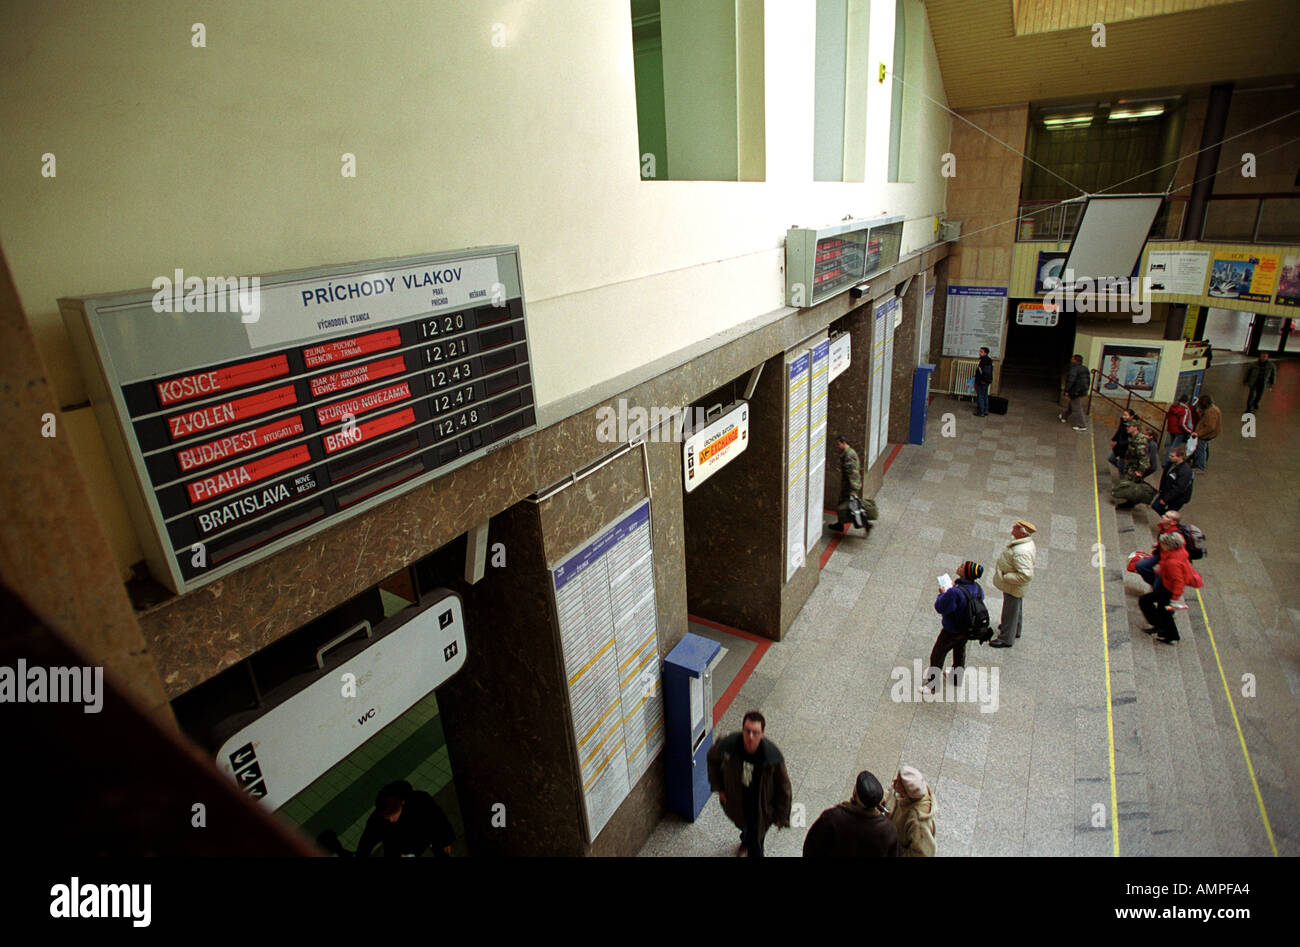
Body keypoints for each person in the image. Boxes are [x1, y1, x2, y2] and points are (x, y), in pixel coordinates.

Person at [707, 710, 793, 857]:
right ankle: (746, 840)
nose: (751, 737)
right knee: (744, 826)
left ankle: (751, 844)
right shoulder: (728, 745)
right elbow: (712, 759)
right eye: (747, 731)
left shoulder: (772, 758)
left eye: (756, 732)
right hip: (737, 801)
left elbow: (784, 788)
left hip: (760, 807)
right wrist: (719, 788)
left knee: (757, 843)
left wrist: (781, 817)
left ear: (762, 734)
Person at [803, 770, 900, 857]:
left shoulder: (832, 818)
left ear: (854, 793)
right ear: (879, 802)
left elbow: (811, 849)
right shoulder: (888, 830)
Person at [925, 560, 984, 690]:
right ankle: (956, 678)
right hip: (967, 629)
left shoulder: (955, 592)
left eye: (962, 566)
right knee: (959, 652)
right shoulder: (978, 589)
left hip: (952, 630)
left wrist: (943, 593)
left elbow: (941, 607)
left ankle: (932, 685)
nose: (959, 566)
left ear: (965, 573)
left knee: (937, 655)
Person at [356, 780, 455, 857]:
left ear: (402, 802)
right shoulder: (377, 820)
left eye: (392, 815)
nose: (390, 820)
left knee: (440, 850)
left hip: (424, 837)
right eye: (386, 817)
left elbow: (438, 819)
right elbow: (367, 841)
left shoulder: (421, 801)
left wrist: (445, 839)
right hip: (399, 848)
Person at [1139, 531, 1201, 645]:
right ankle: (1168, 633)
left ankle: (1165, 631)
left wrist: (1174, 599)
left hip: (1168, 589)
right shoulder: (1179, 550)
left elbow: (1178, 581)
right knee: (1163, 610)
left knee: (1146, 601)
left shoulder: (1172, 563)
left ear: (1168, 546)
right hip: (1167, 585)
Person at [990, 521, 1036, 648]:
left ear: (1022, 533)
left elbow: (1025, 575)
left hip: (1013, 585)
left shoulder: (1021, 551)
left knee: (1010, 610)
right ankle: (1014, 629)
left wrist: (1006, 577)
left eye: (1016, 528)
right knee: (1015, 608)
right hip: (1014, 586)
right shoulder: (1025, 544)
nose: (1012, 528)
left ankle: (1006, 638)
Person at [883, 766, 936, 857]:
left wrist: (893, 852)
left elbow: (921, 854)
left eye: (898, 782)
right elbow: (891, 795)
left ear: (905, 792)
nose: (894, 781)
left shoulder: (918, 823)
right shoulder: (906, 792)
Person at [1131, 510, 1182, 591]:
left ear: (1173, 522)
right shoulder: (1164, 528)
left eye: (1167, 517)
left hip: (1168, 561)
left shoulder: (1174, 535)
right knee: (1140, 566)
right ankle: (1155, 586)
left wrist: (1161, 564)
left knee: (1142, 566)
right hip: (1161, 555)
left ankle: (1157, 589)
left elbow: (1173, 554)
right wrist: (1158, 544)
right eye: (1165, 514)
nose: (1163, 516)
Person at [1112, 420, 1155, 509]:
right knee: (1129, 484)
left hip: (1135, 468)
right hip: (1130, 465)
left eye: (1129, 427)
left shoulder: (1140, 441)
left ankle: (1130, 503)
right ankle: (1129, 502)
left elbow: (1144, 459)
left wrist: (1140, 471)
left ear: (1135, 427)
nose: (1127, 428)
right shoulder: (1133, 438)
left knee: (1131, 485)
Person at [829, 434, 865, 533]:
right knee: (845, 505)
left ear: (844, 443)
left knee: (849, 506)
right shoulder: (847, 453)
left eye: (838, 444)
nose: (837, 446)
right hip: (847, 485)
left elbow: (853, 473)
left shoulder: (849, 455)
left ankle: (864, 523)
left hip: (849, 486)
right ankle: (840, 524)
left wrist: (853, 489)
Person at [1151, 447, 1193, 515]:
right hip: (1167, 492)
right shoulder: (1171, 464)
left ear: (1180, 457)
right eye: (1170, 455)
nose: (1170, 457)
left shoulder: (1185, 471)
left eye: (1172, 456)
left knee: (1169, 514)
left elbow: (1179, 488)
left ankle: (1169, 522)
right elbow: (1165, 478)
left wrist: (1166, 499)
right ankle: (1166, 520)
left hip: (1179, 498)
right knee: (1156, 506)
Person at [1058, 354, 1090, 431]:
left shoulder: (1074, 369)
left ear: (1075, 360)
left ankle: (1081, 425)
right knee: (1072, 405)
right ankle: (1064, 416)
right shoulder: (1084, 368)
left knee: (1076, 407)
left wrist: (1067, 390)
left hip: (1075, 390)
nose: (1071, 360)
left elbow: (1070, 381)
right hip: (1082, 390)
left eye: (1072, 358)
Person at [1190, 394, 1220, 471]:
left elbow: (1210, 427)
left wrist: (1198, 433)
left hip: (1206, 434)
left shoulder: (1210, 412)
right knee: (1202, 447)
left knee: (1200, 448)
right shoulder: (1212, 408)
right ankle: (1198, 463)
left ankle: (1200, 466)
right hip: (1210, 433)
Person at [1163, 394, 1195, 461]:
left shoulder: (1173, 407)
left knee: (1172, 445)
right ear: (1187, 401)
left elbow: (1168, 416)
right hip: (1179, 431)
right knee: (1174, 447)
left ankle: (1169, 460)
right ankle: (1167, 461)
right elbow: (1182, 423)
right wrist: (1190, 431)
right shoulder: (1185, 410)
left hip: (1171, 429)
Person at [974, 346, 994, 417]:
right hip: (986, 380)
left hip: (983, 381)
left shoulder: (985, 361)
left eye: (981, 352)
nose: (979, 353)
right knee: (985, 395)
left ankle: (981, 412)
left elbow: (985, 372)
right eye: (979, 351)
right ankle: (985, 410)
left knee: (980, 396)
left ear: (985, 353)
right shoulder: (988, 360)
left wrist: (983, 380)